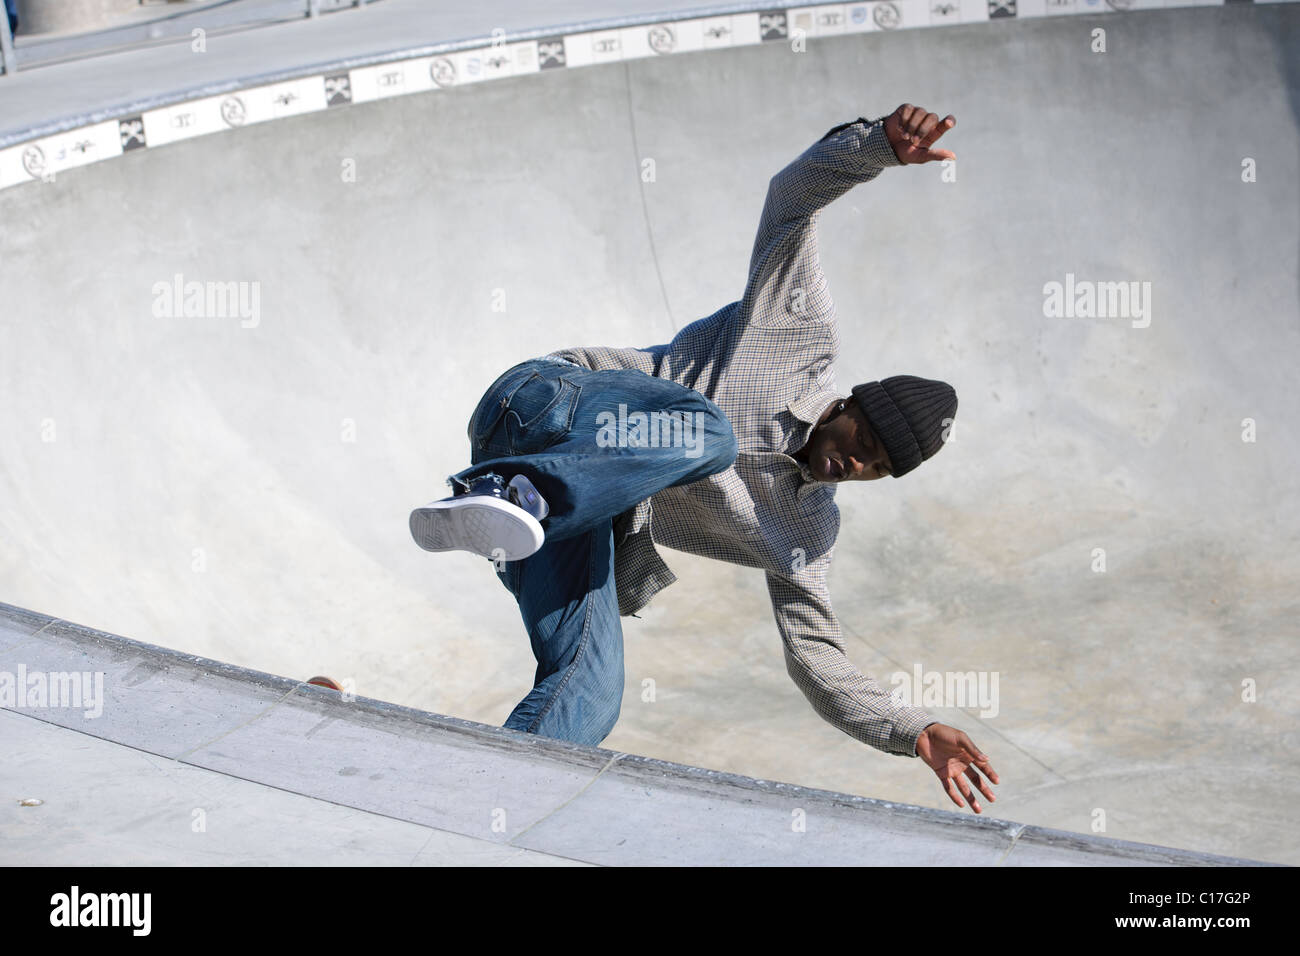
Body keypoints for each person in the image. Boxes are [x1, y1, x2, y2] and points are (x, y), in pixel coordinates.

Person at [411, 103, 999, 814]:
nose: (858, 467)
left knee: (591, 695)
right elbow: (792, 200)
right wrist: (877, 146)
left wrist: (912, 732)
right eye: (864, 444)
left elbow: (818, 659)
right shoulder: (798, 331)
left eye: (878, 470)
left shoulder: (806, 535)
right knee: (707, 435)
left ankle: (471, 815)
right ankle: (516, 492)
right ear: (846, 407)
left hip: (567, 519)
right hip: (546, 402)